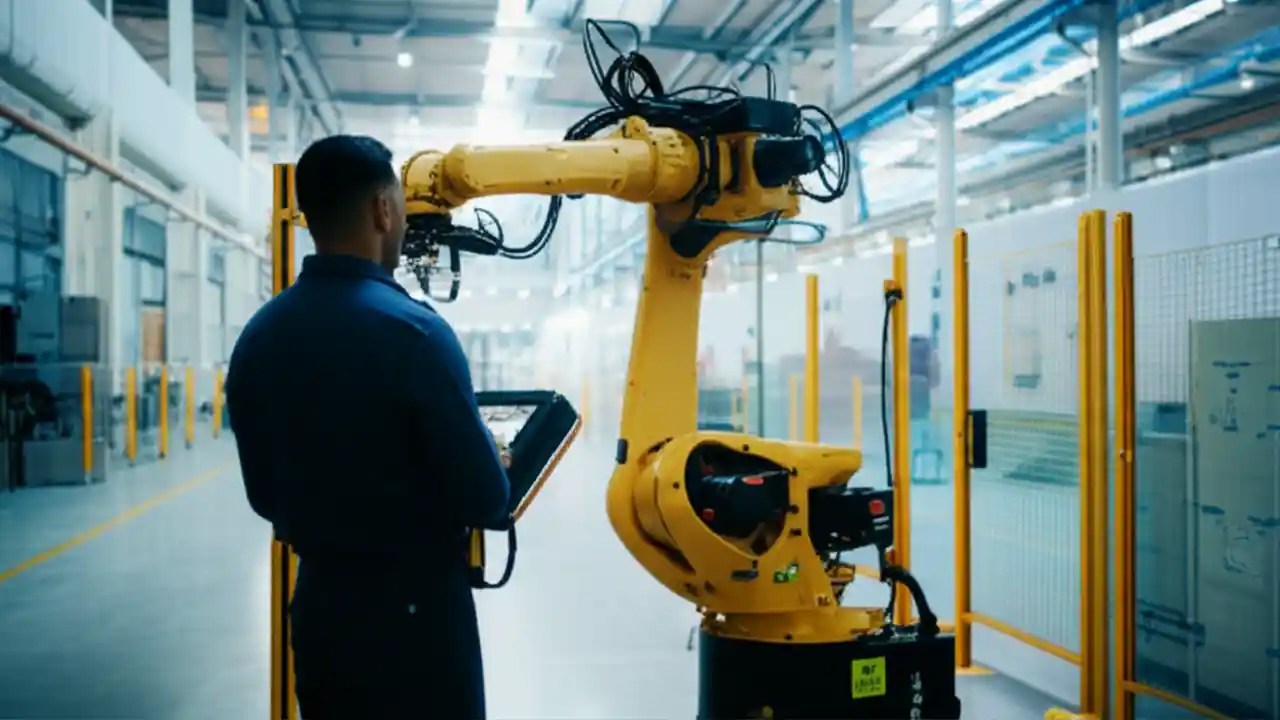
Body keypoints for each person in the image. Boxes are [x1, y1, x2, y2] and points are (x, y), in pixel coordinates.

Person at [225, 135, 511, 719]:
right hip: (416, 626)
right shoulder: (417, 334)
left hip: (323, 614)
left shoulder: (259, 336)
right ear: (384, 209)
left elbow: (264, 495)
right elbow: (486, 498)